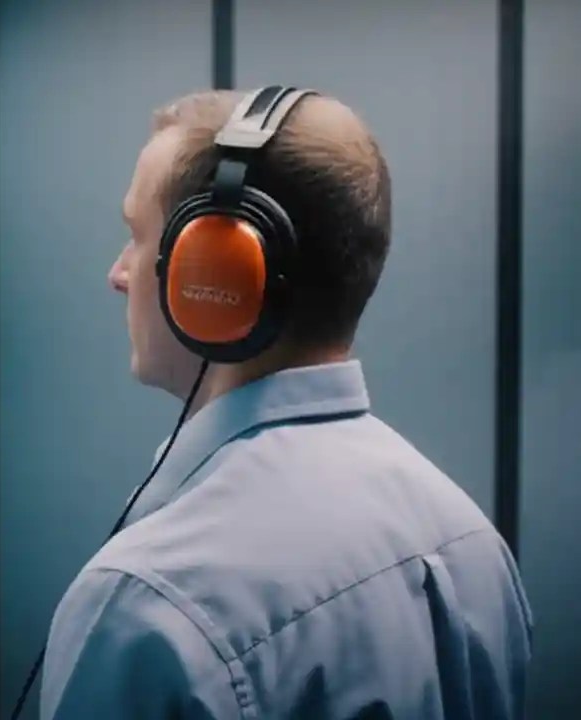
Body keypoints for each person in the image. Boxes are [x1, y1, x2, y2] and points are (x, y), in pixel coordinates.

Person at [37, 86, 534, 718]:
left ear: (217, 273)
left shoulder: (152, 602)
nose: (119, 273)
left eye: (138, 236)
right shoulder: (468, 541)